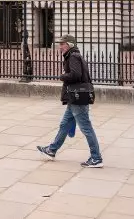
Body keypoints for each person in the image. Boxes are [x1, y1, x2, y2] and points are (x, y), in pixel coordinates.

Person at [38, 34, 104, 168]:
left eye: (63, 44)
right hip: (75, 97)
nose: (60, 47)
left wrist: (62, 76)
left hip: (77, 97)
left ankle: (96, 158)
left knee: (86, 127)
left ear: (70, 45)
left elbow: (76, 75)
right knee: (64, 124)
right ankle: (52, 150)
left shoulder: (73, 56)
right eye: (60, 44)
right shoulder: (74, 55)